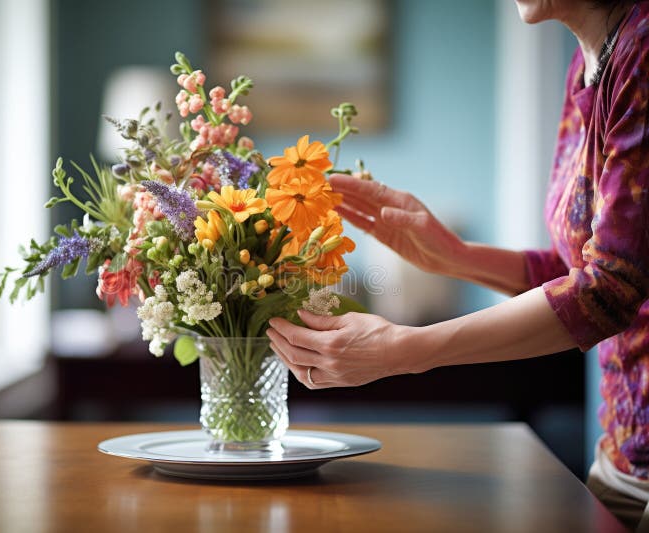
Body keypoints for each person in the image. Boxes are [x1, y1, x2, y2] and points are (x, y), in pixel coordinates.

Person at [266, 0, 649, 529]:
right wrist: (455, 257)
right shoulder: (587, 66)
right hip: (623, 455)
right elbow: (582, 269)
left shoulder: (643, 50)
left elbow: (606, 292)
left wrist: (402, 351)